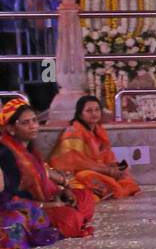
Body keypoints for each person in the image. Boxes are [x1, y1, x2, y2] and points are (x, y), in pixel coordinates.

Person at [0, 97, 94, 238]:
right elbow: (10, 199)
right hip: (24, 208)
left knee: (84, 197)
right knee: (70, 219)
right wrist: (49, 205)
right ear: (11, 129)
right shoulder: (6, 154)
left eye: (34, 120)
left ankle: (70, 215)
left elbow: (43, 176)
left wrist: (63, 192)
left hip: (44, 201)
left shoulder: (30, 150)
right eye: (26, 123)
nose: (33, 126)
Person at [47, 95, 141, 200]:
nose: (94, 113)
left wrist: (116, 167)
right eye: (89, 110)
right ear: (80, 114)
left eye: (97, 110)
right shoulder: (73, 132)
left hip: (99, 170)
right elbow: (76, 163)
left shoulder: (99, 131)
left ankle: (106, 191)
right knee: (89, 177)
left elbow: (107, 157)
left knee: (126, 177)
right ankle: (102, 192)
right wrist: (108, 171)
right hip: (75, 174)